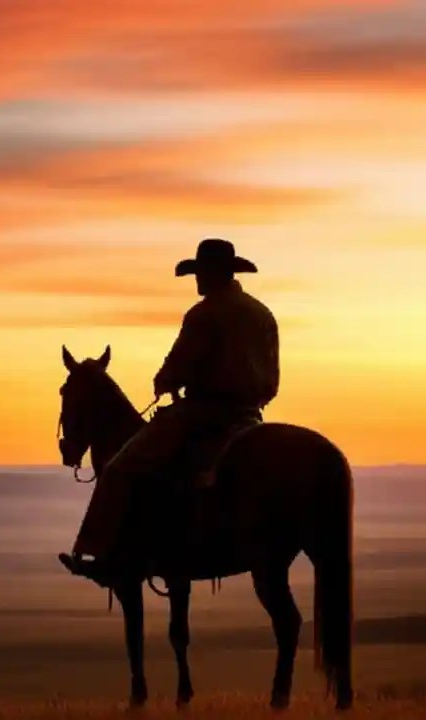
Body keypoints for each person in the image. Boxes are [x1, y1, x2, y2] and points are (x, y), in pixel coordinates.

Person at [59, 238, 279, 585]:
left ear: (213, 273)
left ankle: (98, 552)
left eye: (200, 273)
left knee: (120, 466)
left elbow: (178, 365)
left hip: (204, 412)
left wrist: (164, 381)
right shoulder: (262, 313)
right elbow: (271, 378)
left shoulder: (204, 313)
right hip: (250, 416)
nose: (197, 281)